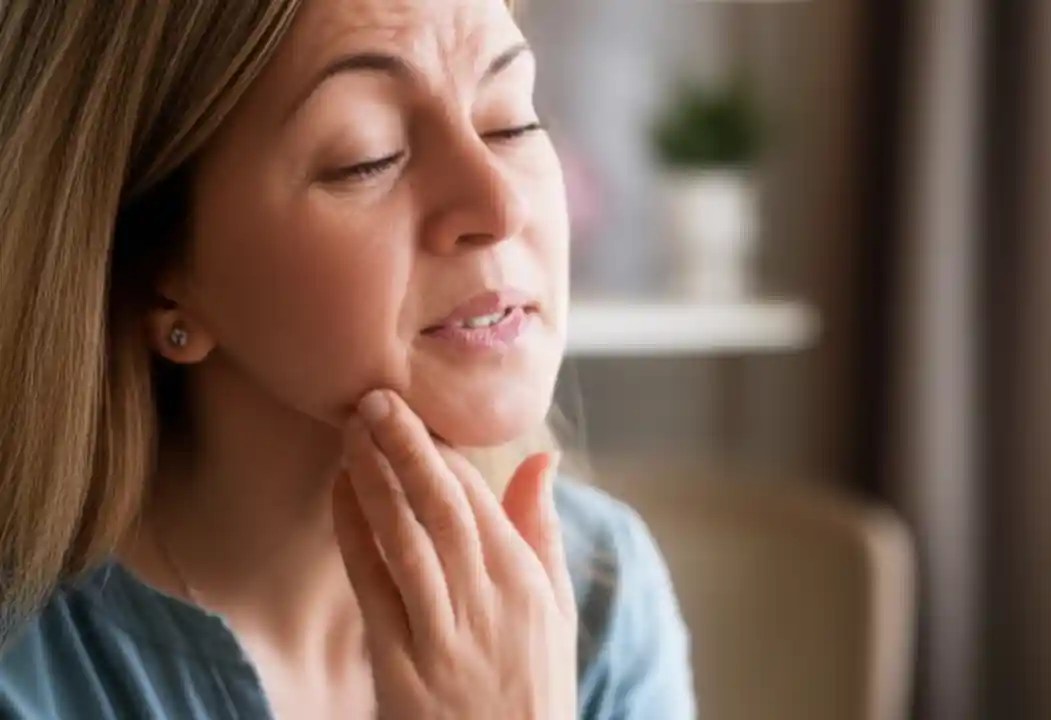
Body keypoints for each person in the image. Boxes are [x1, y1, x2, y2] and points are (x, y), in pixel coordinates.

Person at [0, 0, 695, 717]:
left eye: (510, 120)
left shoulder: (601, 592)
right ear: (158, 275)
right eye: (368, 156)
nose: (498, 203)